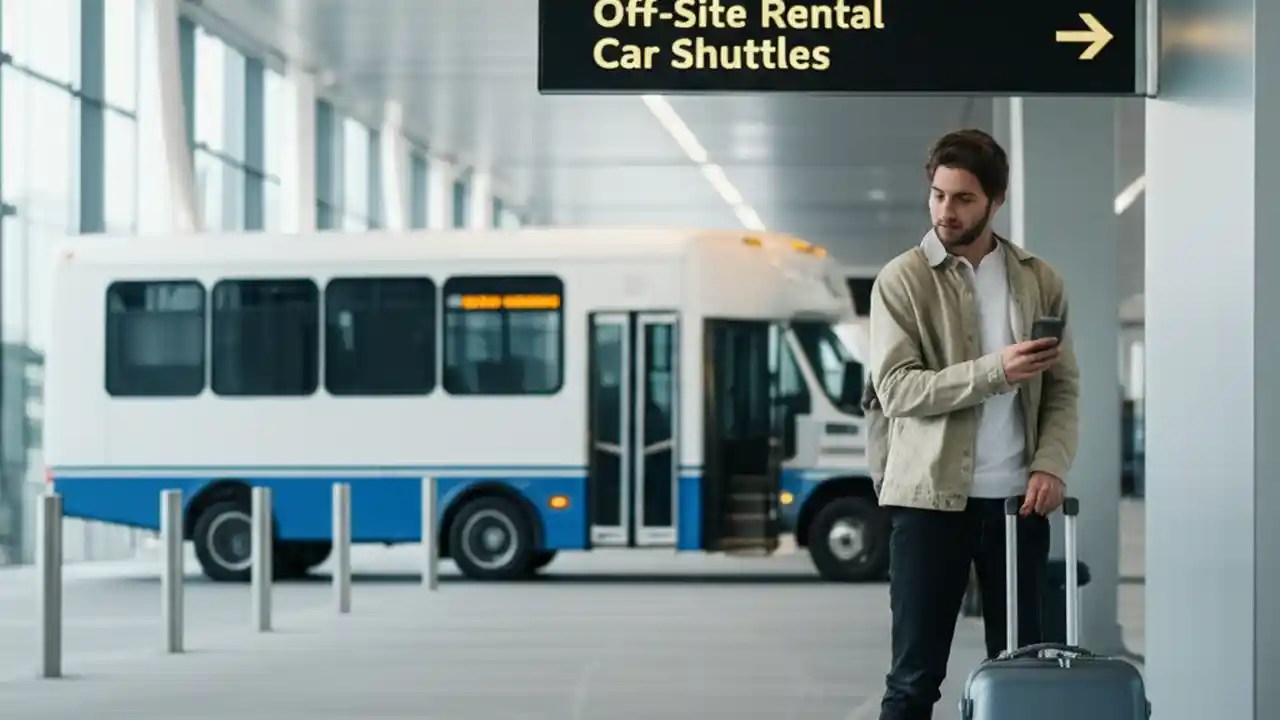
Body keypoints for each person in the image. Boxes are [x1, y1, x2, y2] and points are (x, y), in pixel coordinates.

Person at [867, 128, 1080, 720]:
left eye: (962, 198)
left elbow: (1063, 386)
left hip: (1019, 505)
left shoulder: (1039, 280)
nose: (945, 211)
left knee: (1021, 676)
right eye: (937, 195)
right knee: (914, 680)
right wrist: (994, 370)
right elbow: (897, 389)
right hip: (929, 502)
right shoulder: (902, 280)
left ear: (996, 199)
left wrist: (1050, 463)